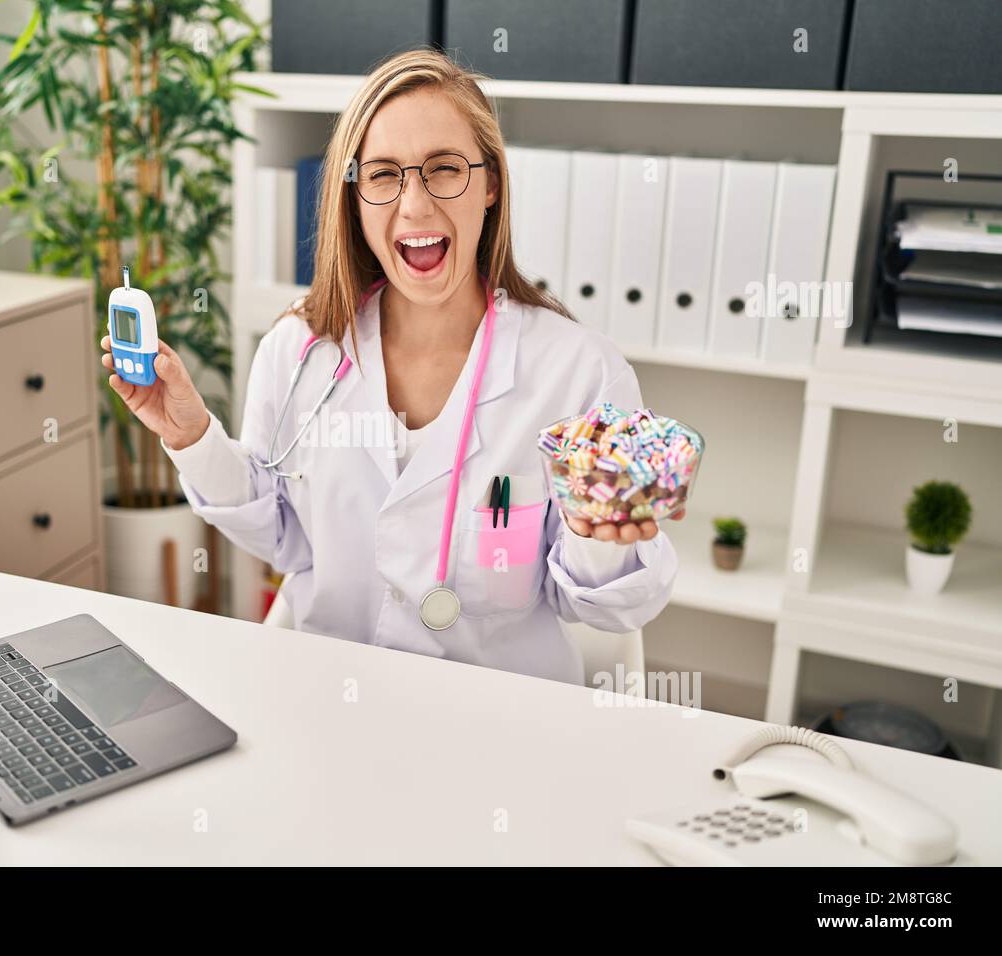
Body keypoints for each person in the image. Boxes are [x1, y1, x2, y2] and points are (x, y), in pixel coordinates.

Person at [101, 49, 679, 684]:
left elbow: (607, 607)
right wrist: (191, 436)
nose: (415, 206)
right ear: (353, 195)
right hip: (330, 700)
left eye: (444, 169)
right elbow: (284, 538)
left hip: (500, 719)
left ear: (490, 185)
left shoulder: (580, 373)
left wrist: (602, 522)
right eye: (382, 175)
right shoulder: (300, 349)